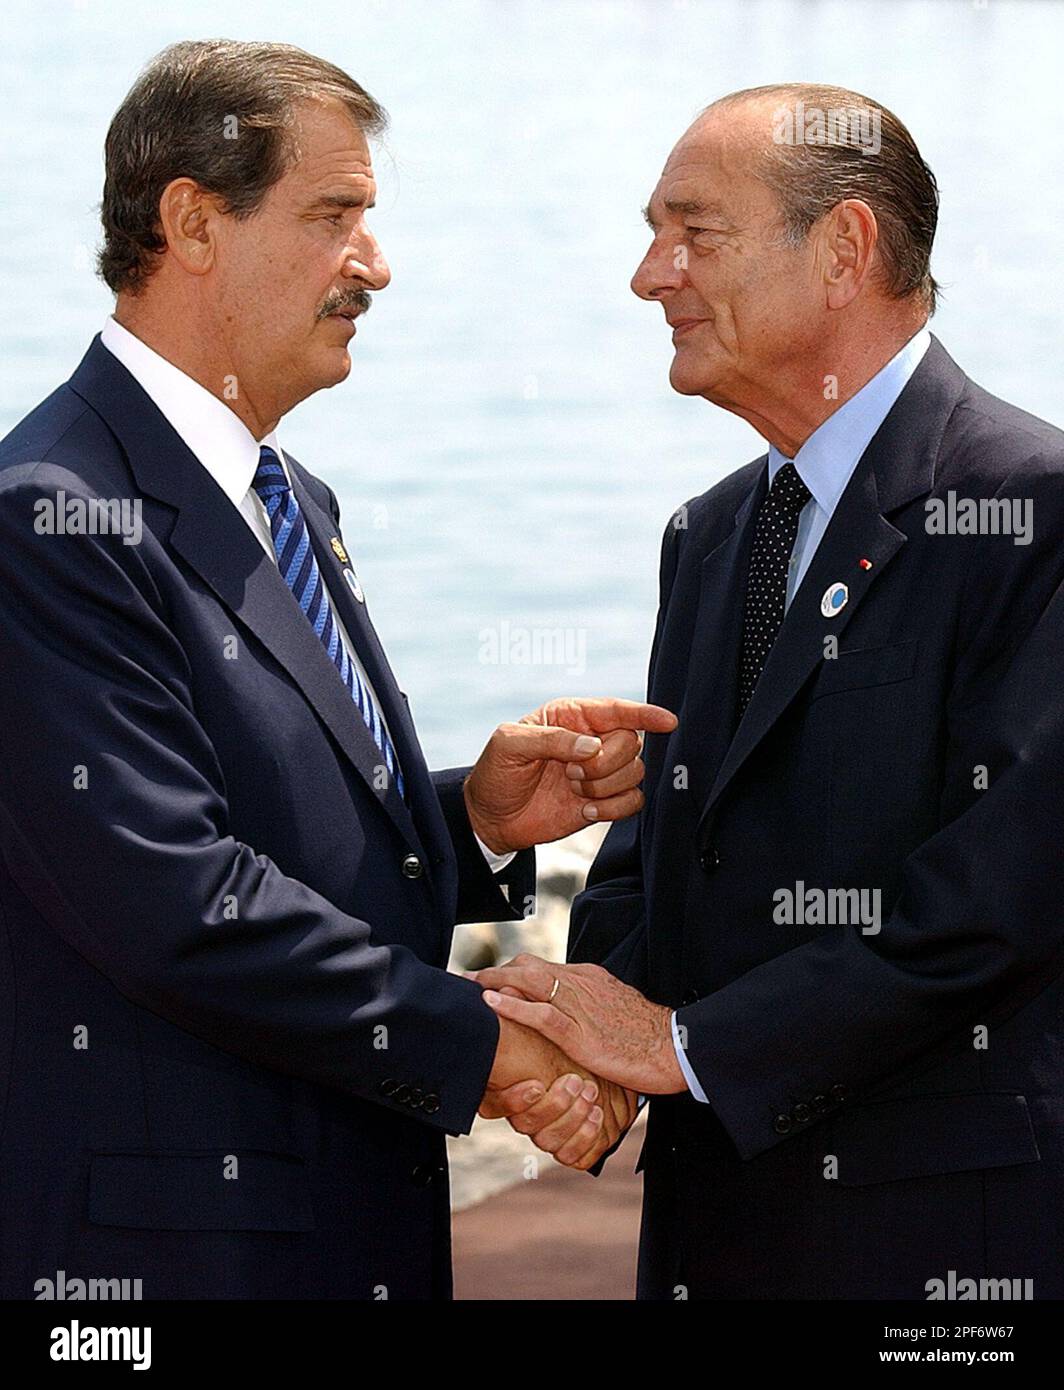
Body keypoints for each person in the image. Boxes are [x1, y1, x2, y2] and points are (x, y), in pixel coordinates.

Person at [0, 39, 672, 1301]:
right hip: (170, 1257)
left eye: (368, 219)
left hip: (340, 1227)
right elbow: (175, 901)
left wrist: (466, 821)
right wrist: (491, 1050)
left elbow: (251, 816)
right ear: (192, 222)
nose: (373, 263)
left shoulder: (287, 494)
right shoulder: (49, 517)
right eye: (334, 216)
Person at [475, 83, 1064, 1299]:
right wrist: (595, 1032)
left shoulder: (1032, 512)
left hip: (939, 1249)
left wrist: (681, 1046)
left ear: (843, 249)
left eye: (694, 232)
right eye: (652, 233)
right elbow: (654, 858)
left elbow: (994, 899)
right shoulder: (710, 534)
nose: (651, 275)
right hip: (712, 1232)